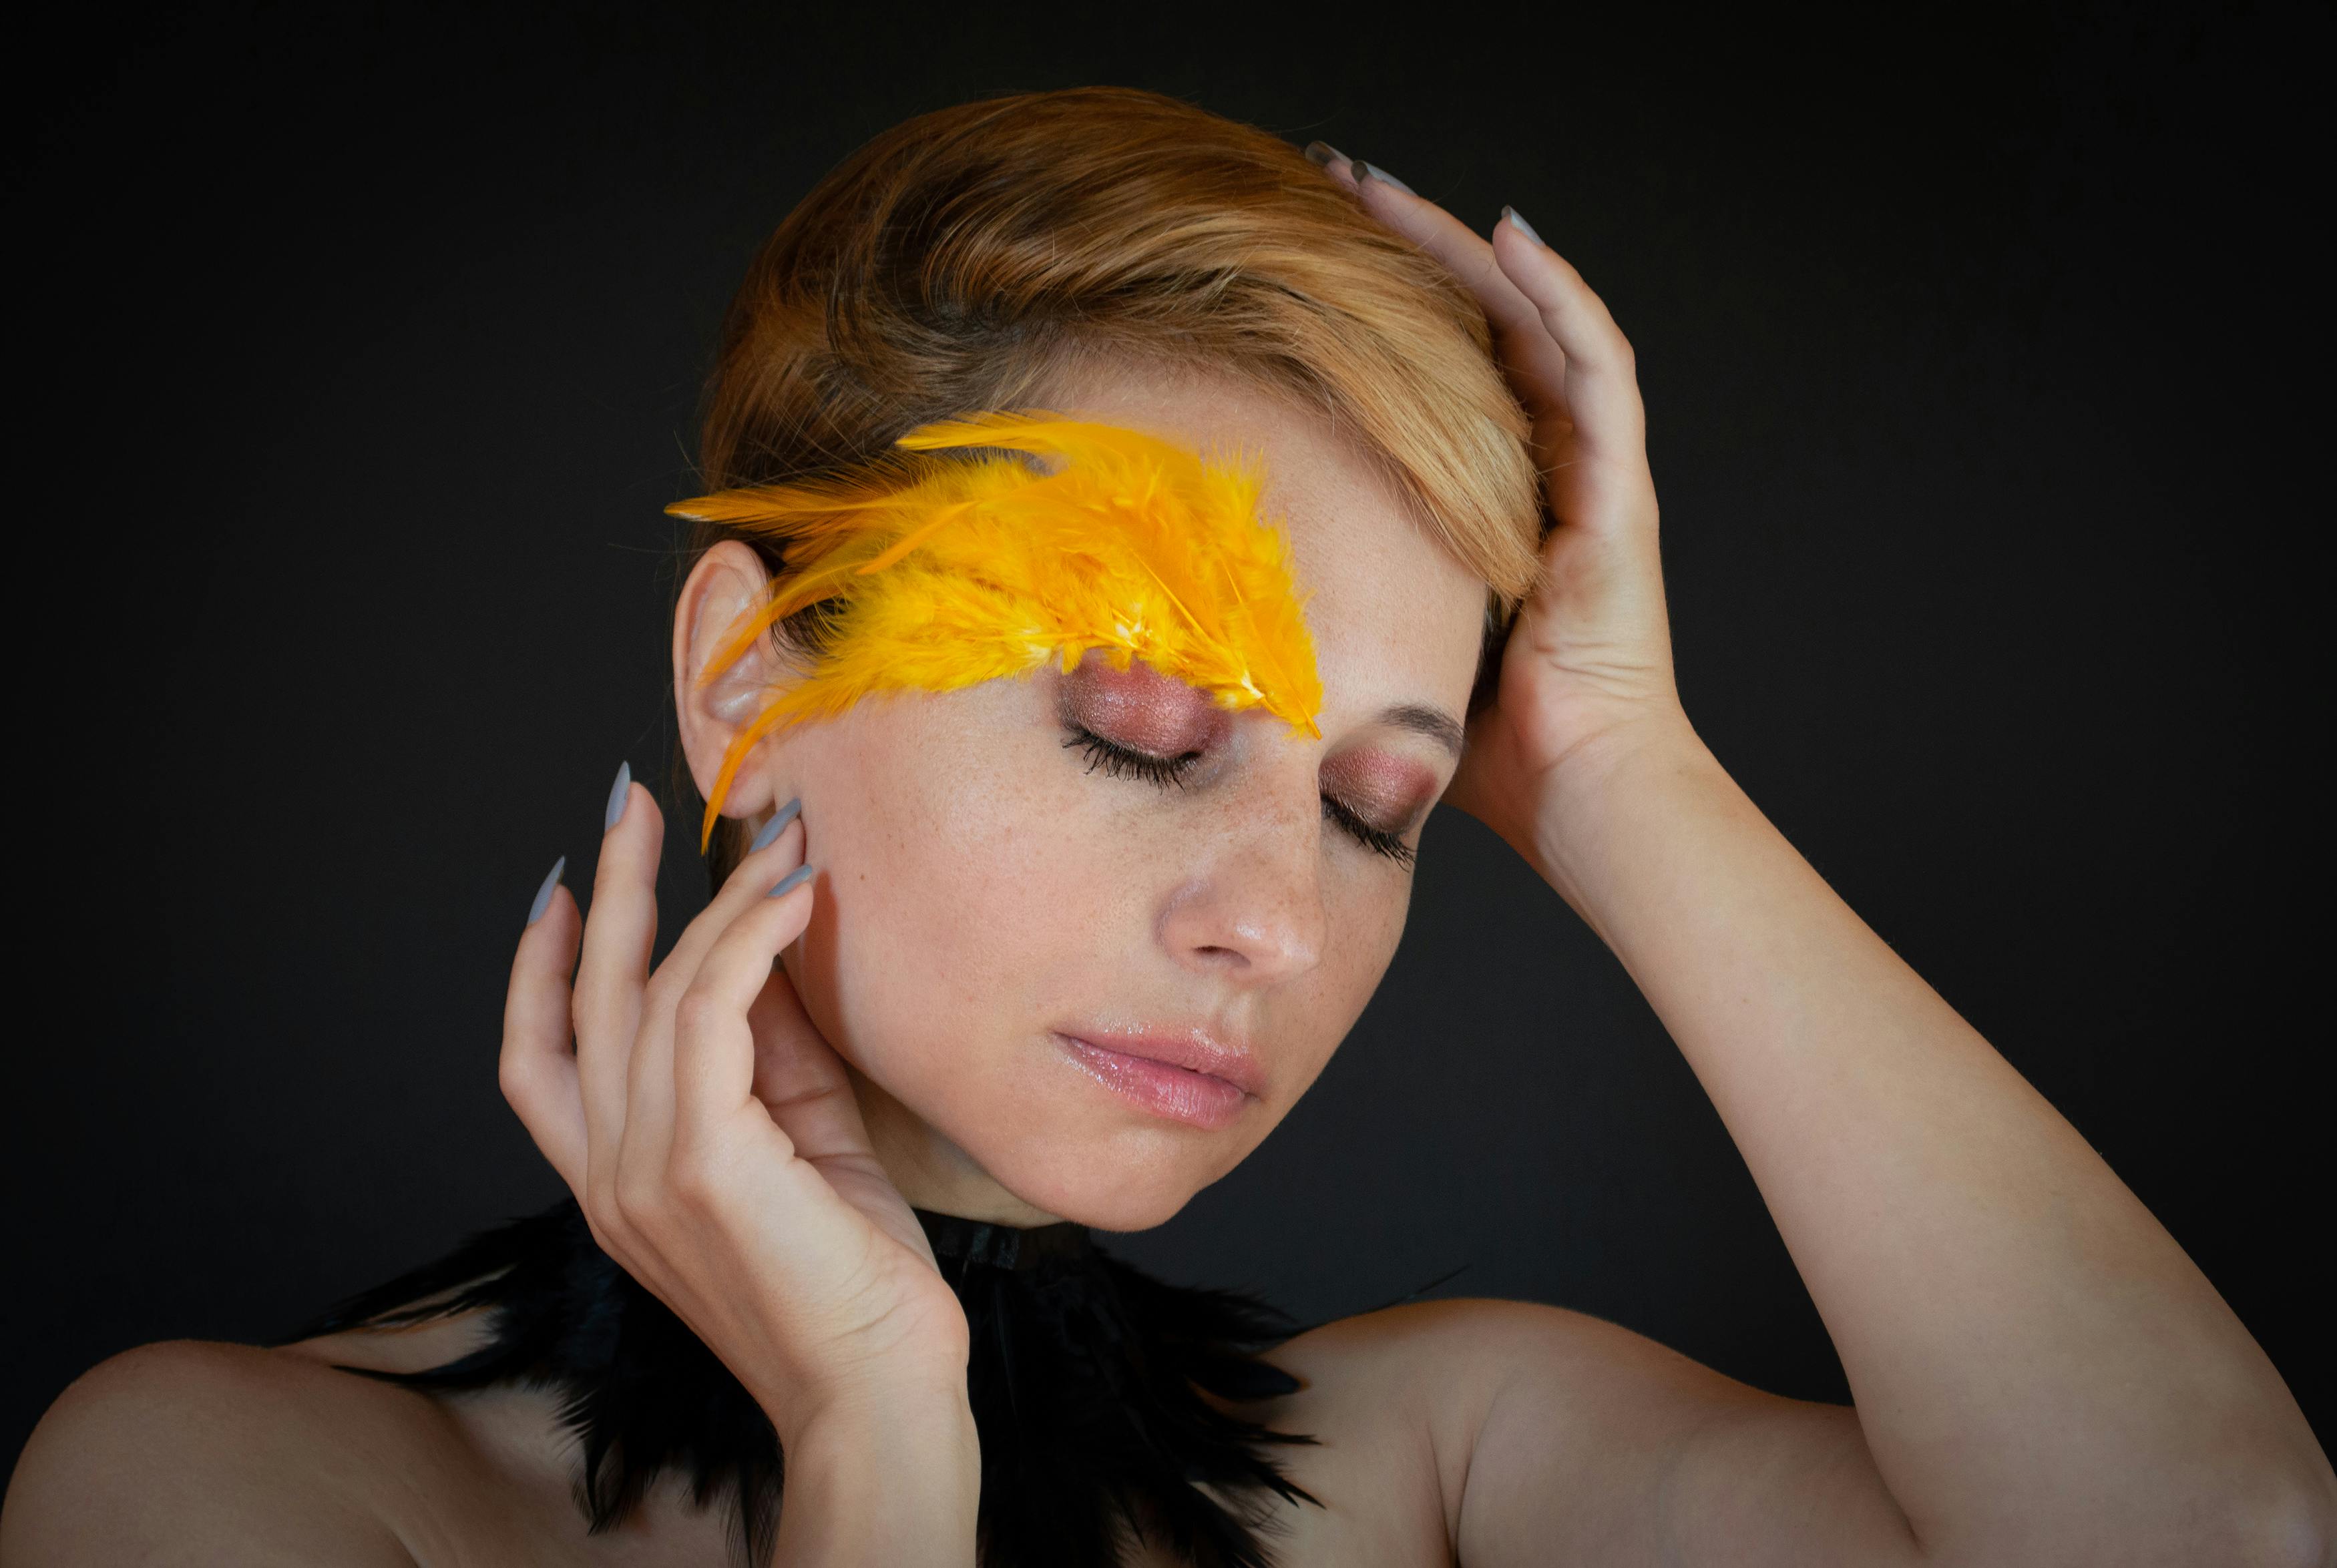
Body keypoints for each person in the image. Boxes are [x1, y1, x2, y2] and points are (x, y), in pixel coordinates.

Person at [3, 86, 2329, 1568]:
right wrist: (875, 1444)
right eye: (1135, 727)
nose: (1273, 922)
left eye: (1385, 806)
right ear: (745, 670)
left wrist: (1619, 758)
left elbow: (2205, 1539)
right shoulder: (238, 1496)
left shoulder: (1426, 1461)